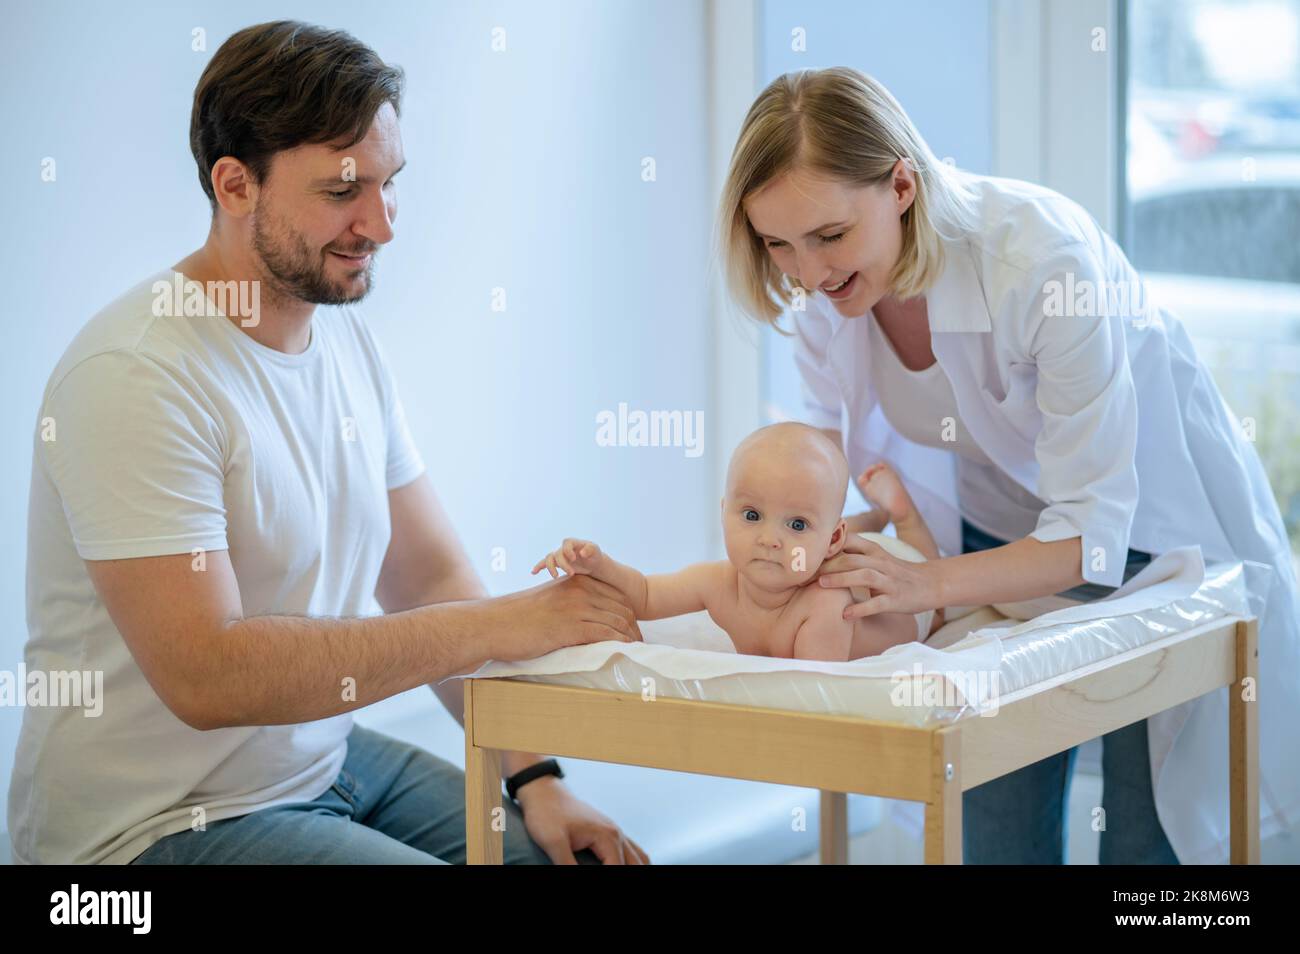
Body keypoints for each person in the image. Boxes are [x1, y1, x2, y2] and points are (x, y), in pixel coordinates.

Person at [9, 20, 648, 866]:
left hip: (323, 761)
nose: (380, 226)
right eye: (345, 191)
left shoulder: (342, 342)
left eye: (390, 185)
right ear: (235, 185)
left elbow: (425, 578)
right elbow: (211, 676)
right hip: (152, 830)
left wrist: (537, 778)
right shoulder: (135, 374)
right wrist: (508, 622)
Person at [716, 66, 1299, 864]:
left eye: (829, 236)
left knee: (1146, 842)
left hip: (1148, 545)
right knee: (994, 829)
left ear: (901, 185)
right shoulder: (826, 297)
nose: (809, 272)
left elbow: (1092, 535)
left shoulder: (1041, 262)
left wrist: (928, 583)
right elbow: (829, 463)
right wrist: (795, 541)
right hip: (994, 531)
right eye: (777, 244)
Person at [532, 422, 942, 661]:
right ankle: (873, 515)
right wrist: (598, 564)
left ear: (832, 540)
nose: (769, 540)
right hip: (840, 544)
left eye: (795, 525)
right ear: (724, 511)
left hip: (897, 580)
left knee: (932, 589)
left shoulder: (825, 604)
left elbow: (812, 690)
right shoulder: (717, 581)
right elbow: (644, 594)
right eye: (751, 516)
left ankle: (902, 517)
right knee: (822, 527)